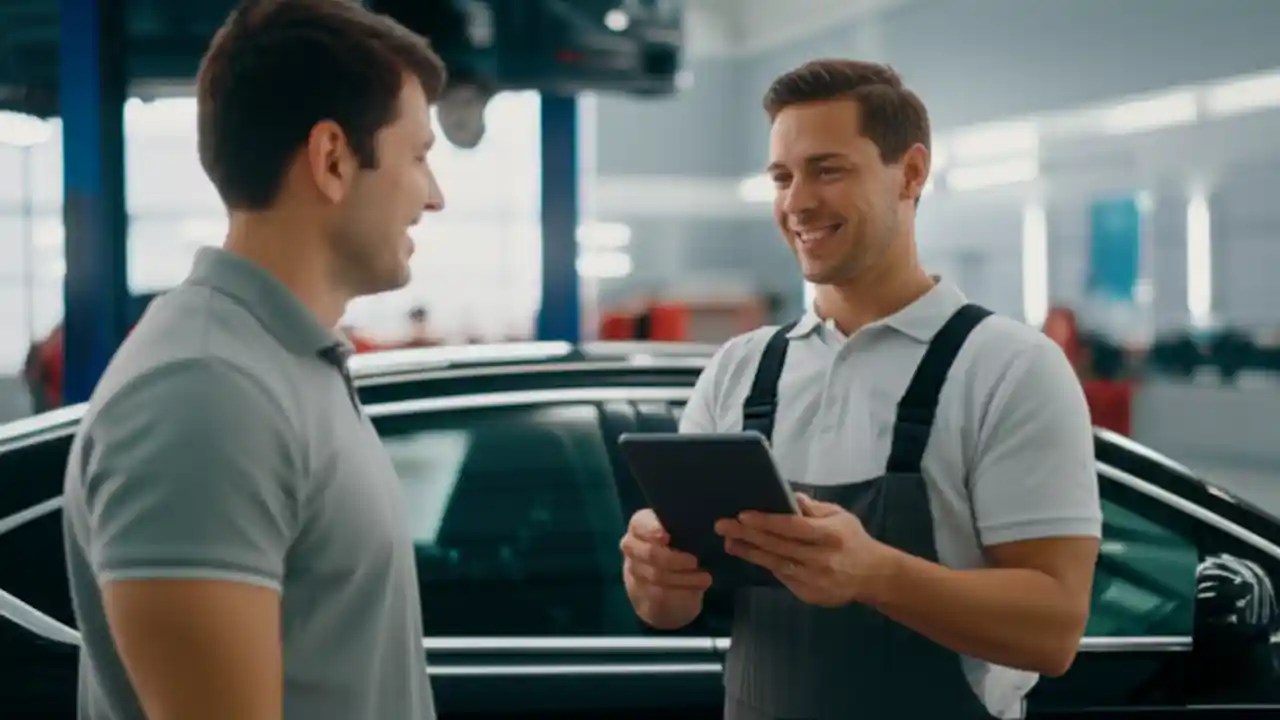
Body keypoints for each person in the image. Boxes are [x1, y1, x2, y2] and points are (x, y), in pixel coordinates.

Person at [619, 59, 1102, 720]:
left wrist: (876, 573)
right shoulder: (738, 370)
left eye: (828, 170)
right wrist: (655, 578)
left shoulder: (1010, 369)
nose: (797, 203)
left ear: (911, 173)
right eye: (782, 177)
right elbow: (672, 608)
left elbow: (1053, 630)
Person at [60, 1, 446, 718]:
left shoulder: (281, 366)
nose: (436, 197)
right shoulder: (205, 393)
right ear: (332, 159)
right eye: (420, 156)